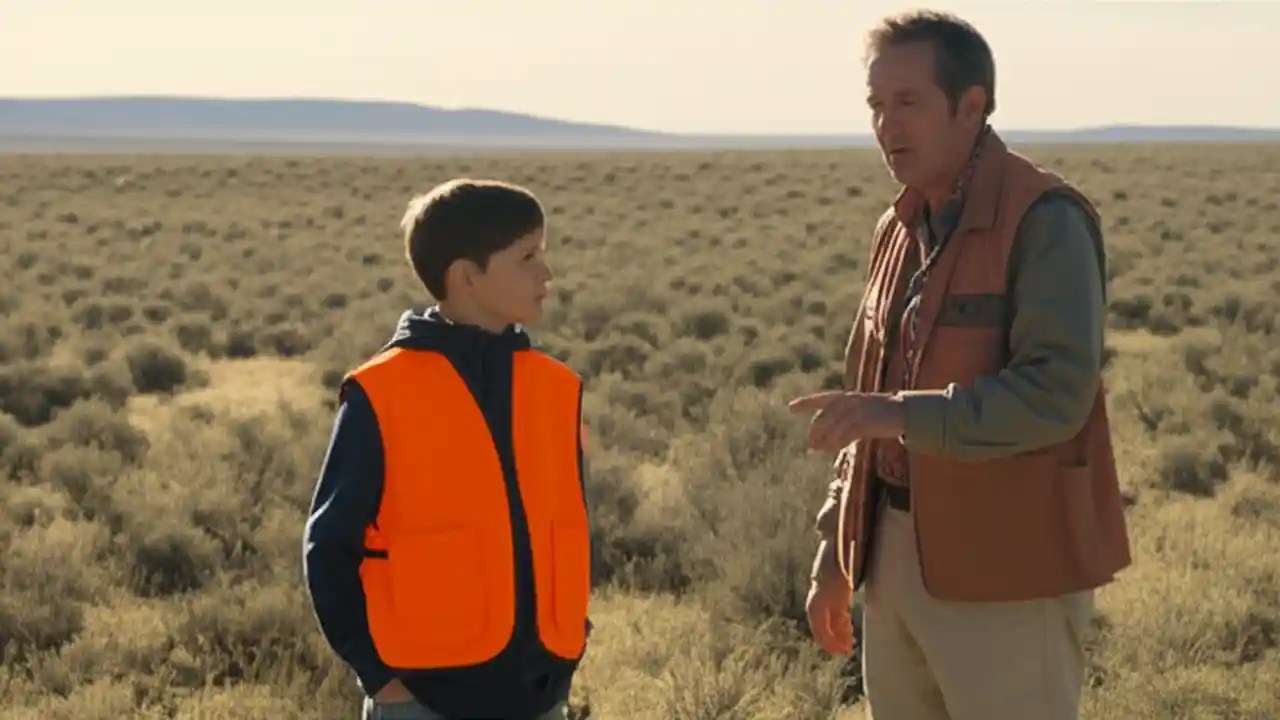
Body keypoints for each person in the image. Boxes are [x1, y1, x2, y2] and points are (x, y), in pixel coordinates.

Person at [787, 10, 1132, 720]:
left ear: (971, 106)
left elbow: (1054, 395)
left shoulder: (1044, 220)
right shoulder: (897, 227)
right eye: (876, 105)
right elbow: (866, 400)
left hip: (1010, 571)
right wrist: (835, 552)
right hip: (892, 558)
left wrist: (900, 415)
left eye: (907, 103)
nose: (886, 125)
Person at [303, 179, 591, 720]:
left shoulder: (556, 389)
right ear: (466, 277)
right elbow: (329, 546)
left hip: (539, 696)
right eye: (527, 257)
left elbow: (566, 532)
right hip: (422, 701)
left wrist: (568, 651)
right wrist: (381, 679)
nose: (547, 274)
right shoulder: (382, 391)